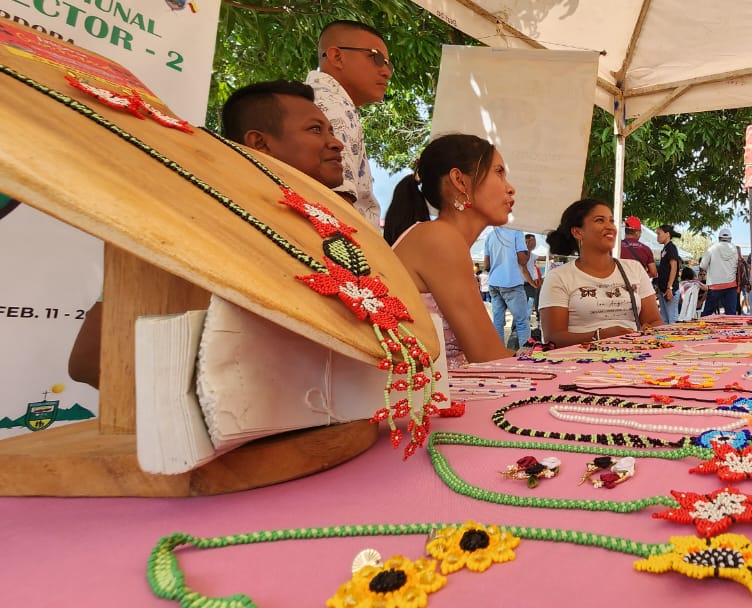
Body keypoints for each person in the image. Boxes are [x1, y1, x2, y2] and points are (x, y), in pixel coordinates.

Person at [69, 80, 348, 389]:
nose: (336, 144)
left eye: (332, 132)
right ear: (260, 143)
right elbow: (93, 359)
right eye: (315, 130)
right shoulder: (192, 224)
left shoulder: (325, 235)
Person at [383, 134, 516, 370]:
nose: (510, 188)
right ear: (460, 181)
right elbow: (489, 358)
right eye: (499, 172)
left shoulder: (437, 237)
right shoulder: (439, 238)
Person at [306, 19, 392, 226]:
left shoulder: (319, 100)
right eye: (376, 58)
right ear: (337, 56)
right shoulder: (331, 105)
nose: (386, 72)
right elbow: (337, 202)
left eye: (389, 64)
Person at [539, 199, 661, 344]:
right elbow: (553, 338)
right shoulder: (558, 277)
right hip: (580, 362)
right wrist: (599, 336)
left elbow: (655, 321)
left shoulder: (634, 269)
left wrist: (648, 331)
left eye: (611, 221)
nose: (610, 227)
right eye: (600, 220)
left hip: (632, 359)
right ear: (578, 232)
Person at [485, 225, 531, 348]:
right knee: (522, 322)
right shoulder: (516, 231)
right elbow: (522, 260)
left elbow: (486, 265)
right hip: (512, 282)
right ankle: (526, 357)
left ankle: (498, 354)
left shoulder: (490, 235)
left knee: (498, 322)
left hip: (494, 282)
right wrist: (528, 250)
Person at [700, 228, 741, 315]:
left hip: (715, 286)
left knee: (707, 313)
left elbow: (702, 265)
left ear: (719, 238)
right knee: (731, 315)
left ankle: (703, 328)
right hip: (731, 286)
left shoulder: (712, 249)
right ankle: (730, 329)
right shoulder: (736, 250)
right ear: (730, 239)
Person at [655, 224, 683, 324]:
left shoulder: (671, 248)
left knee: (672, 320)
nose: (657, 236)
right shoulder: (665, 249)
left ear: (667, 234)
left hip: (669, 290)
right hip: (663, 289)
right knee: (665, 320)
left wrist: (669, 287)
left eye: (659, 234)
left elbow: (674, 267)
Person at [524, 233, 542, 330]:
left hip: (531, 284)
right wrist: (533, 284)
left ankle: (524, 325)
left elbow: (542, 257)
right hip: (526, 284)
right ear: (527, 241)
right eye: (533, 241)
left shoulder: (532, 255)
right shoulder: (522, 254)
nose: (535, 244)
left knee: (529, 305)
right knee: (527, 305)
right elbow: (524, 271)